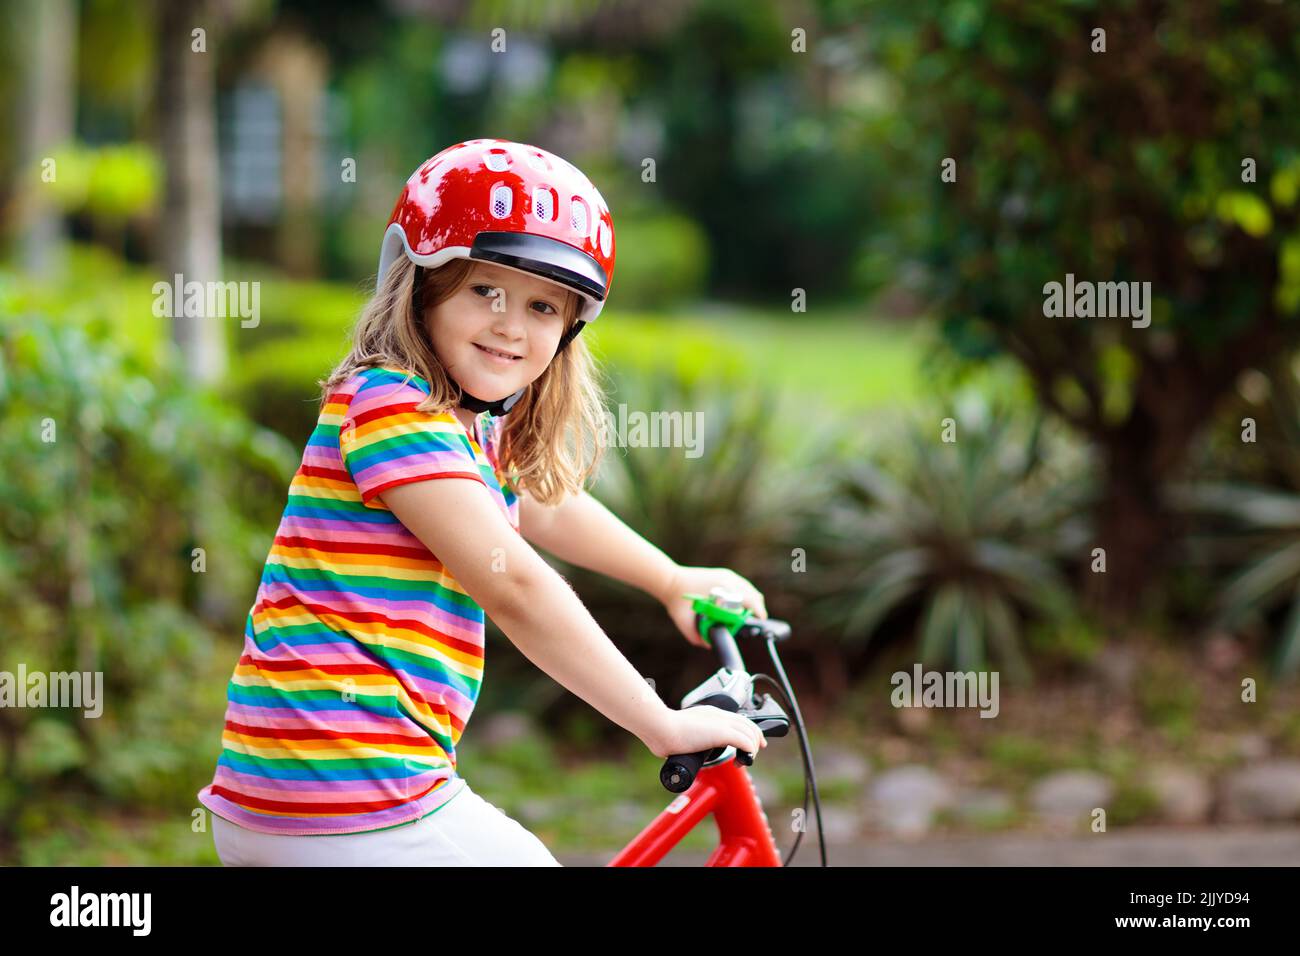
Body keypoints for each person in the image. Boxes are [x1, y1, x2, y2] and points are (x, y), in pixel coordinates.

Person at [196, 138, 768, 866]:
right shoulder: (391, 411)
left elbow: (545, 507)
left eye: (540, 306)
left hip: (310, 790)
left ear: (568, 331)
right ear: (422, 286)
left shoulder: (458, 428)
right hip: (350, 790)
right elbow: (515, 584)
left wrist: (670, 580)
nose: (510, 325)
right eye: (483, 291)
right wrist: (658, 722)